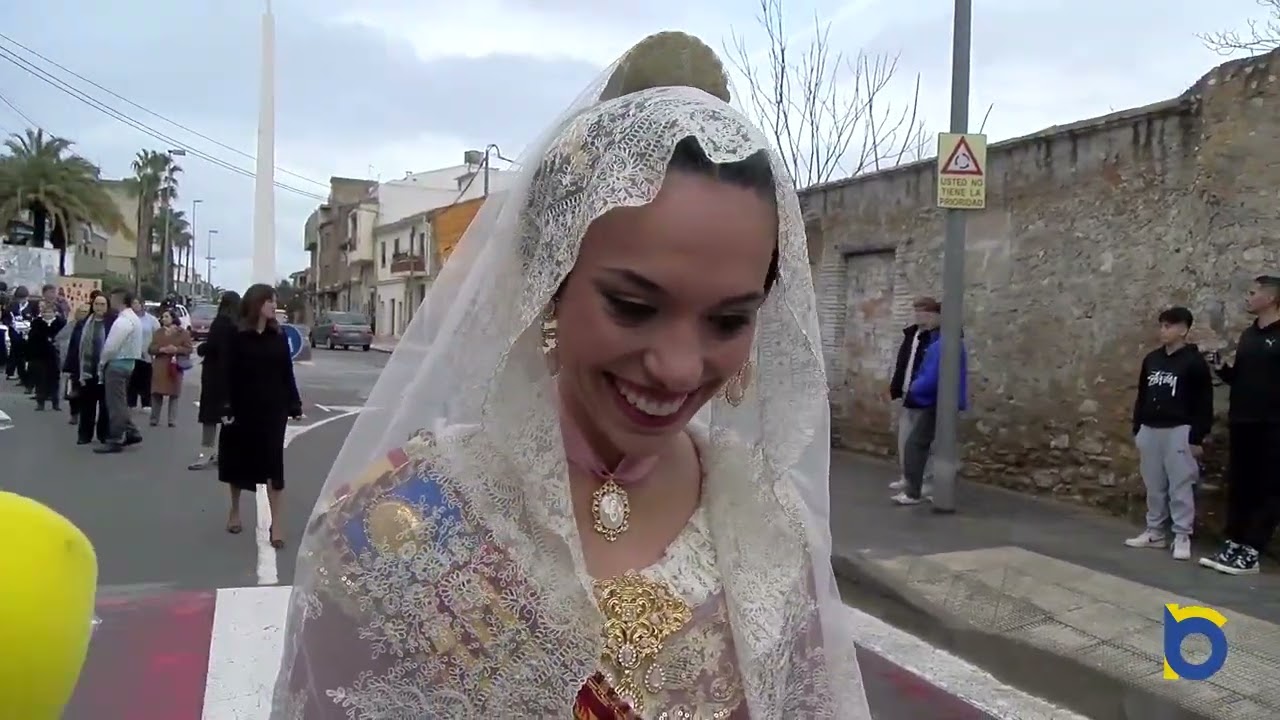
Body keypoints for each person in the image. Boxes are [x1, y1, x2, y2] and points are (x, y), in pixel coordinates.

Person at [270, 32, 870, 719]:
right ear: (548, 283)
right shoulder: (390, 528)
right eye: (632, 306)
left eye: (728, 321)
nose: (677, 366)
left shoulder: (769, 531)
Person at [1201, 275, 1280, 575]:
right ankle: (1234, 541)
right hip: (1243, 421)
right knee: (1240, 485)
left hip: (1273, 425)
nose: (1247, 298)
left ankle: (1252, 550)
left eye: (1252, 293)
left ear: (1271, 298)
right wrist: (1222, 367)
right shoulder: (1249, 336)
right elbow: (1242, 379)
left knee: (1268, 487)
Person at [1124, 307, 1213, 561]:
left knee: (1181, 484)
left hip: (1179, 429)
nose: (1164, 331)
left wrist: (1196, 436)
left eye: (1169, 326)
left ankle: (1182, 534)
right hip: (1151, 428)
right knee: (1154, 484)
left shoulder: (1193, 363)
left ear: (1183, 329)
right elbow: (1142, 395)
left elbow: (1203, 402)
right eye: (1162, 326)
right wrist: (1138, 427)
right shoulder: (1152, 360)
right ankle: (1155, 531)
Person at [218, 284, 301, 545]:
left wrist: (294, 402)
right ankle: (234, 510)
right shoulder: (236, 336)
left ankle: (276, 526)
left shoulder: (278, 336)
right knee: (236, 462)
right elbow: (226, 373)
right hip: (242, 408)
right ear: (256, 304)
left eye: (274, 301)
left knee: (274, 466)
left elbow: (287, 371)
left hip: (272, 409)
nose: (273, 306)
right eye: (269, 301)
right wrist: (226, 405)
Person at [893, 306, 969, 506]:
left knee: (915, 445)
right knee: (936, 445)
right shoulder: (950, 343)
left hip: (935, 402)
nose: (926, 319)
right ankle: (936, 489)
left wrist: (915, 388)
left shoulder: (942, 345)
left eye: (931, 315)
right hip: (942, 401)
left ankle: (914, 491)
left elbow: (931, 376)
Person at [888, 296, 940, 496]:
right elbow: (904, 362)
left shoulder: (935, 337)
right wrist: (897, 386)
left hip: (924, 396)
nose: (919, 315)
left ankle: (925, 481)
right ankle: (907, 477)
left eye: (924, 312)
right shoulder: (912, 335)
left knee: (921, 442)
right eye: (917, 311)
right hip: (907, 392)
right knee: (905, 439)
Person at [189, 290, 240, 470]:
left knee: (209, 417)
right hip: (231, 376)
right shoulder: (237, 325)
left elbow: (214, 347)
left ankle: (206, 453)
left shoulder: (220, 323)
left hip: (214, 375)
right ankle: (224, 453)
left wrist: (202, 348)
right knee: (228, 416)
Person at [94, 289, 145, 454]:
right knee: (120, 401)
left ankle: (115, 438)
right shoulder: (134, 319)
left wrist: (102, 362)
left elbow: (111, 346)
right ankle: (131, 430)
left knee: (115, 404)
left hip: (117, 363)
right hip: (128, 363)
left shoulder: (123, 320)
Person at [65, 292, 111, 445]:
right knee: (87, 405)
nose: (99, 307)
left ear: (107, 307)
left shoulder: (112, 324)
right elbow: (74, 346)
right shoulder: (84, 323)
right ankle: (85, 435)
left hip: (105, 371)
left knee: (105, 406)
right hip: (86, 370)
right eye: (97, 304)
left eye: (103, 304)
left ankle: (103, 434)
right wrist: (70, 368)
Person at [148, 308, 193, 428]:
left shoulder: (182, 332)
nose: (163, 319)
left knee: (174, 393)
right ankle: (154, 418)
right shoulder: (158, 332)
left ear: (173, 318)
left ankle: (172, 420)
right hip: (160, 365)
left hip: (174, 366)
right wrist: (160, 349)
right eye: (162, 317)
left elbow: (189, 349)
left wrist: (177, 349)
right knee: (156, 393)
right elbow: (151, 348)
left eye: (166, 317)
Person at [26, 300, 66, 411]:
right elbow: (32, 339)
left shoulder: (61, 323)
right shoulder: (37, 323)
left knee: (54, 379)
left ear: (55, 313)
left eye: (50, 312)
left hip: (55, 356)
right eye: (45, 312)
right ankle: (40, 402)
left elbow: (64, 338)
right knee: (40, 379)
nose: (47, 315)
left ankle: (55, 402)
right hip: (40, 355)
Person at [56, 303, 89, 424]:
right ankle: (74, 414)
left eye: (86, 312)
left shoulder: (93, 326)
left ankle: (87, 416)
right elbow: (61, 340)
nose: (84, 314)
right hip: (75, 363)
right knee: (75, 391)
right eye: (82, 312)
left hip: (89, 363)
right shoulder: (72, 326)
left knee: (88, 392)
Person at [128, 298, 160, 412]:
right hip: (131, 353)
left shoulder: (151, 320)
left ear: (142, 305)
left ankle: (146, 403)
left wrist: (154, 350)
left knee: (146, 379)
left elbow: (157, 335)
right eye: (132, 303)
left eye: (136, 303)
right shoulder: (128, 319)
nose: (134, 306)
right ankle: (130, 402)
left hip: (146, 354)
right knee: (131, 379)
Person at [4, 286, 35, 388]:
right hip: (15, 334)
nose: (21, 300)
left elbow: (35, 317)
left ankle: (26, 378)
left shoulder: (32, 306)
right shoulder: (12, 306)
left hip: (27, 333)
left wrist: (29, 322)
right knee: (18, 356)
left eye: (24, 298)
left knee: (27, 357)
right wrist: (11, 323)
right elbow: (5, 318)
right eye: (19, 298)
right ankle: (21, 376)